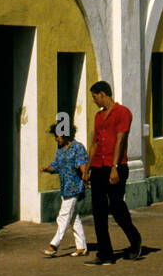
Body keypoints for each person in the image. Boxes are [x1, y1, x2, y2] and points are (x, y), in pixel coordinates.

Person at [83, 80, 142, 266]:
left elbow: (120, 139)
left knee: (116, 207)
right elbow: (94, 144)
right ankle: (105, 253)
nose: (94, 101)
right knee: (98, 210)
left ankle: (135, 240)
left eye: (94, 97)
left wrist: (115, 167)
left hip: (116, 166)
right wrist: (87, 168)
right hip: (99, 167)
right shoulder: (98, 117)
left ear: (103, 94)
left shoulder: (123, 112)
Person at [40, 121, 88, 257]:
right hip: (64, 188)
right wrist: (46, 169)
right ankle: (82, 247)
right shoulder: (60, 150)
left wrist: (85, 176)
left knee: (63, 216)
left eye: (58, 136)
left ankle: (53, 245)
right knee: (73, 218)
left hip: (75, 187)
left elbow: (82, 164)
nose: (56, 139)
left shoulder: (78, 148)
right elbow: (55, 166)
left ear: (65, 134)